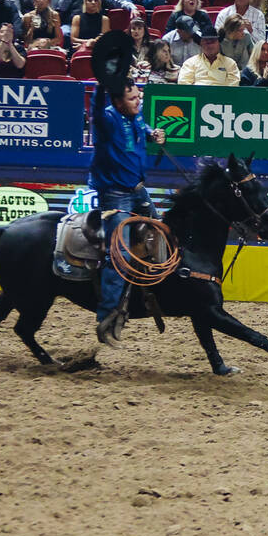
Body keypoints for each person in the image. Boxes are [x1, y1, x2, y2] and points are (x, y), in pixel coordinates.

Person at [89, 79, 165, 345]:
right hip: (115, 195)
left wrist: (151, 132)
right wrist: (101, 83)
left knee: (162, 231)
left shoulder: (133, 115)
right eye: (133, 99)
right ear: (118, 102)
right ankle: (108, 314)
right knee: (118, 253)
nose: (138, 102)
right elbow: (96, 111)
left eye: (138, 98)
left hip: (138, 190)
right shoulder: (106, 120)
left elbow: (139, 126)